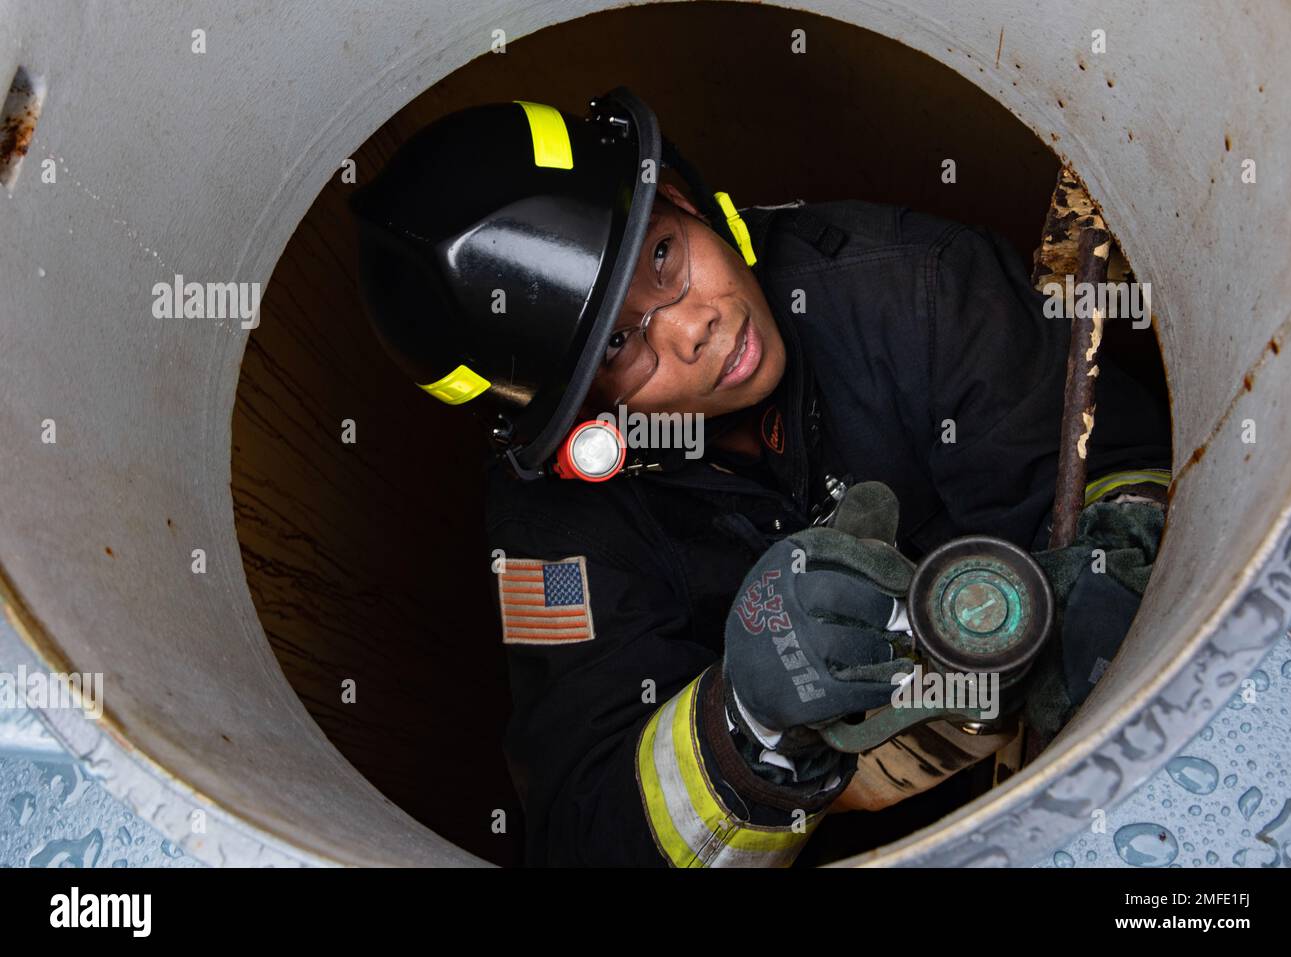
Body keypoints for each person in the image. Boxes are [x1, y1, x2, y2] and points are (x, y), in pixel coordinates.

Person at [349, 87, 1172, 867]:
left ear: (682, 196)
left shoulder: (915, 286)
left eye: (663, 254)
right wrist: (745, 727)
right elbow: (583, 831)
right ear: (580, 421)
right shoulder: (558, 529)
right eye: (619, 345)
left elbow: (1116, 466)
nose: (694, 326)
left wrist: (1117, 575)